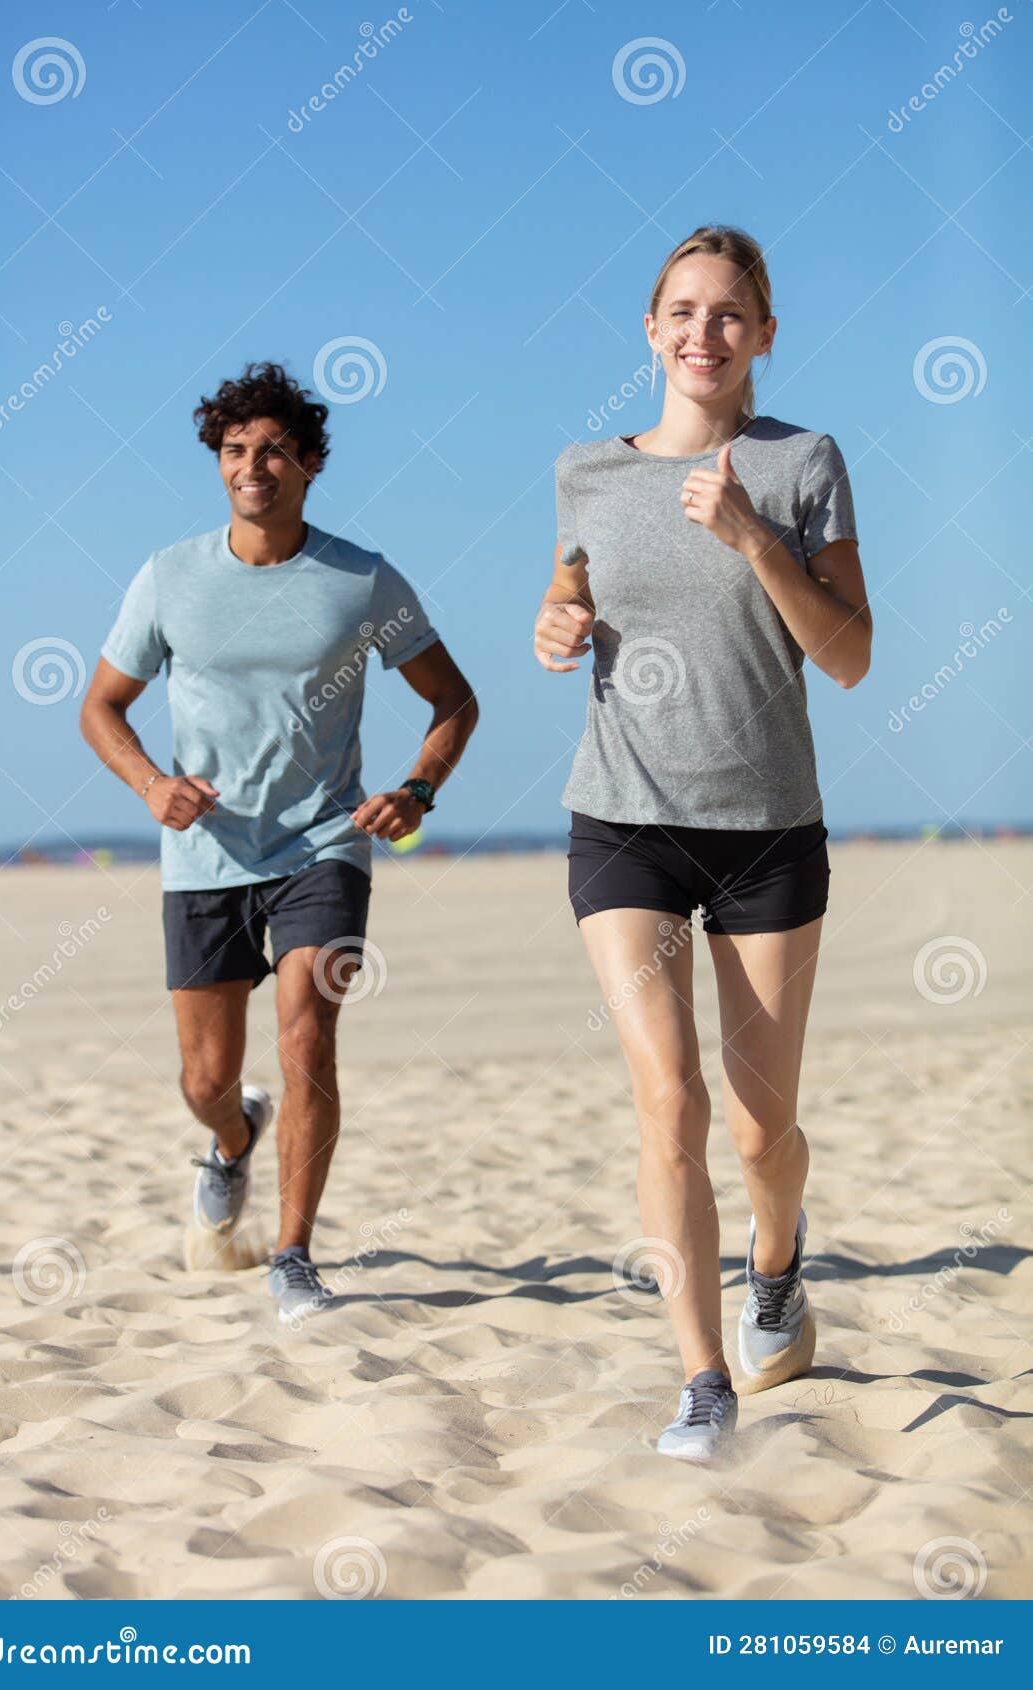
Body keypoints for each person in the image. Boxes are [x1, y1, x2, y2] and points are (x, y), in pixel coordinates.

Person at [534, 226, 871, 1462]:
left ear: (764, 335)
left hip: (768, 831)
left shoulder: (801, 464)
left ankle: (774, 1264)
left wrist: (749, 538)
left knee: (756, 1127)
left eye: (729, 315)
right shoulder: (586, 470)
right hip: (621, 817)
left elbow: (847, 655)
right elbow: (569, 587)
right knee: (667, 1098)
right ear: (648, 329)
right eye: (680, 311)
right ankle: (701, 1377)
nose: (701, 334)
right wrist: (554, 620)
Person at [80, 361, 477, 1325]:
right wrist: (151, 784)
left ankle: (293, 1254)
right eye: (234, 451)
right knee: (205, 1080)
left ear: (308, 464)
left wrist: (417, 788)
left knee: (308, 1037)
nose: (252, 466)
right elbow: (102, 707)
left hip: (324, 845)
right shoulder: (170, 577)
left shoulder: (361, 579)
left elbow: (453, 699)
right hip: (205, 855)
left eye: (272, 451)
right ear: (218, 463)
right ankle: (230, 1142)